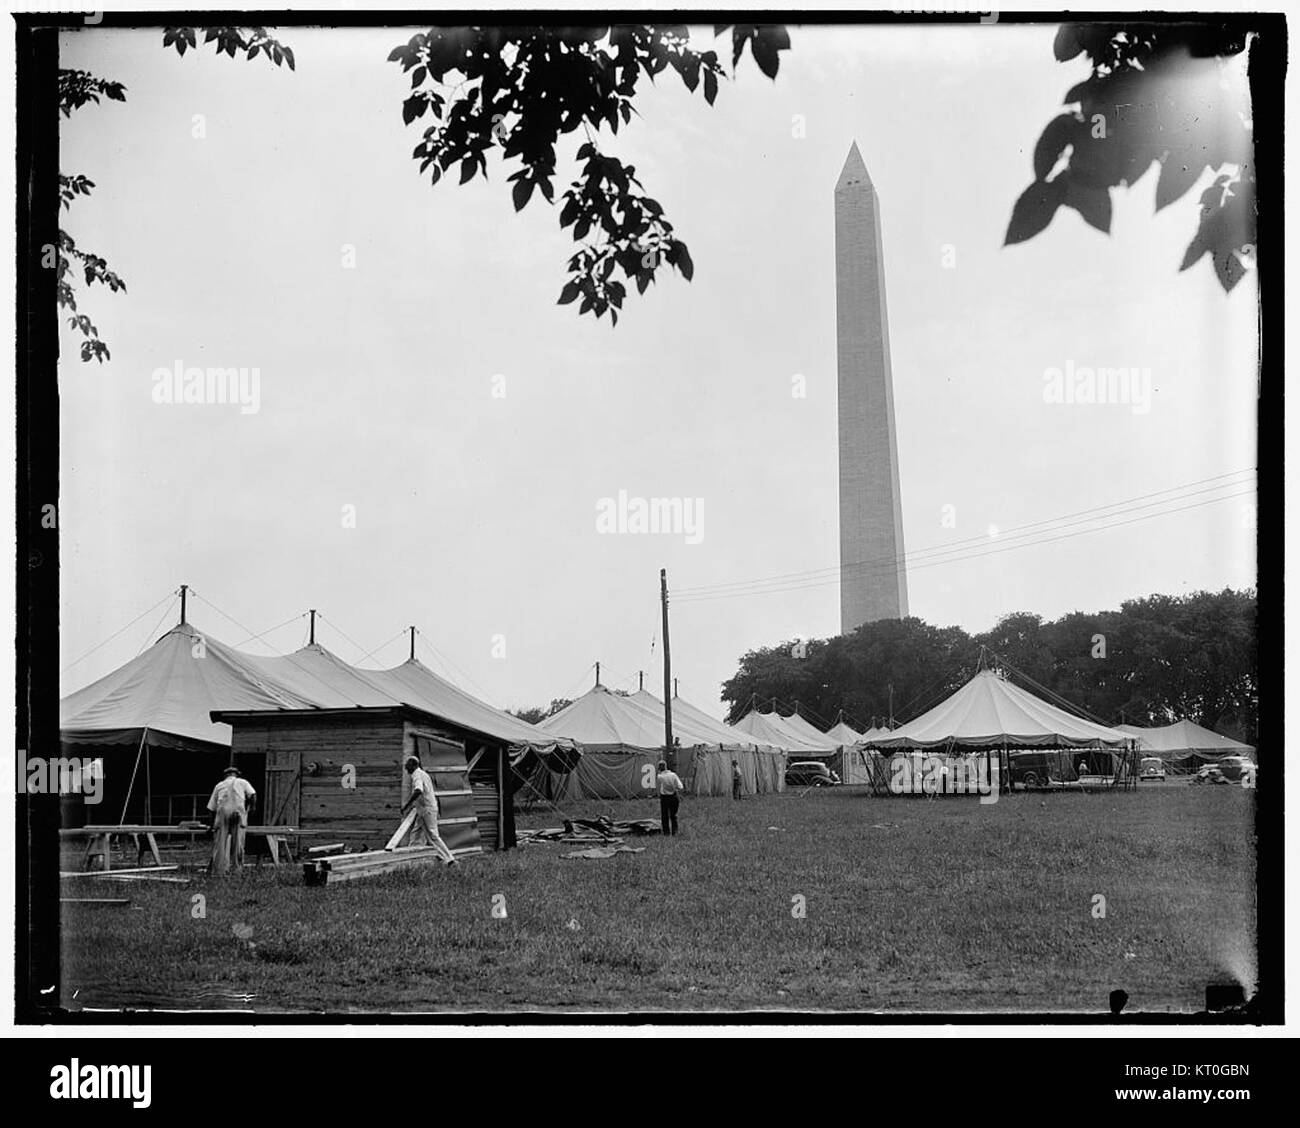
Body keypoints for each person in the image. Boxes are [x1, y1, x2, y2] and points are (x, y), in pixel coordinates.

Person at [401, 755, 457, 866]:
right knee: (416, 834)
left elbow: (419, 790)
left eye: (407, 765)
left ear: (413, 765)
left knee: (433, 835)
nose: (405, 767)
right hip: (423, 810)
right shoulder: (422, 774)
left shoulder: (417, 774)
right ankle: (412, 859)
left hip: (427, 810)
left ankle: (449, 860)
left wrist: (407, 805)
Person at [207, 765, 256, 875]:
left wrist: (211, 826)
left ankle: (219, 871)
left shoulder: (219, 785)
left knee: (220, 844)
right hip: (238, 812)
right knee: (238, 843)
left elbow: (211, 808)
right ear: (237, 774)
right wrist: (252, 808)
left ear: (225, 776)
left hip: (223, 812)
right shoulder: (243, 782)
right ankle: (237, 871)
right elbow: (253, 794)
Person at [656, 758, 684, 836]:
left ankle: (666, 833)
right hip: (674, 797)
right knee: (673, 816)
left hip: (664, 798)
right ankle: (674, 832)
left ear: (659, 768)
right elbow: (680, 786)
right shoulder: (673, 775)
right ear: (666, 766)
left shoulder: (659, 777)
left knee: (664, 816)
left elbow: (657, 788)